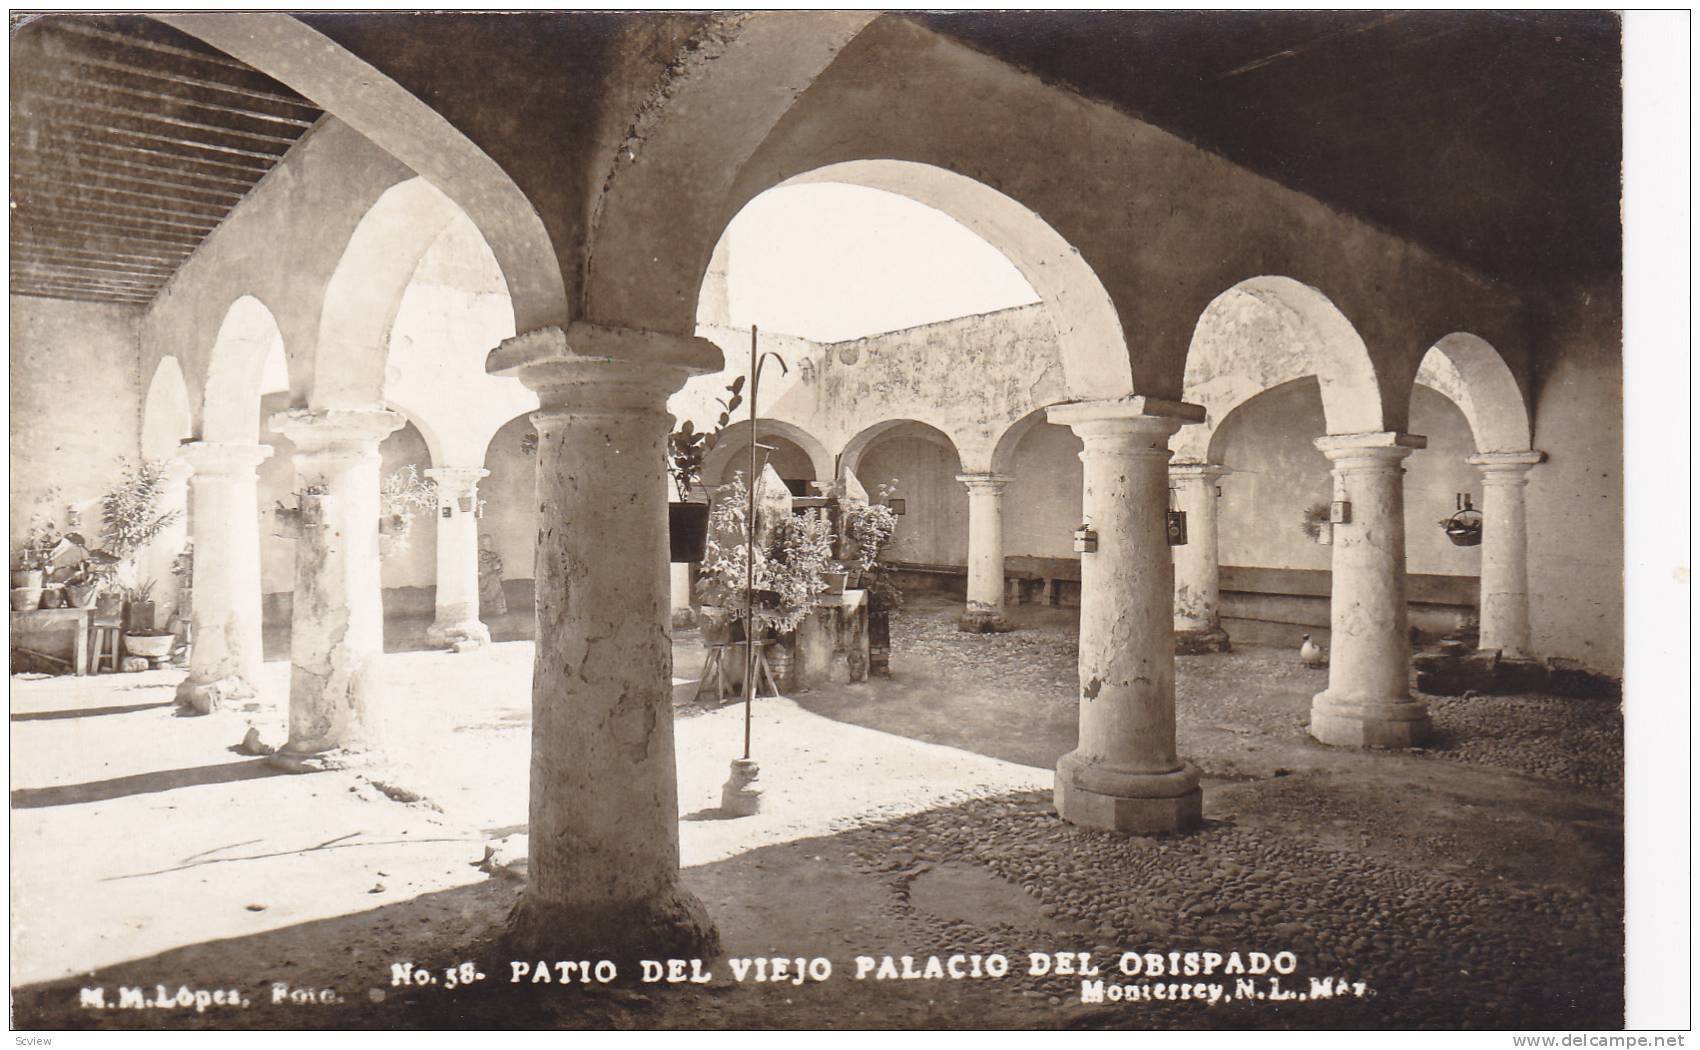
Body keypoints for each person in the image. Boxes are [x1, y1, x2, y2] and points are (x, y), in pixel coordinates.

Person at [477, 534, 507, 618]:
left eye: (489, 542)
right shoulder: (478, 555)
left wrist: (498, 570)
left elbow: (498, 565)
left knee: (496, 589)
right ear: (481, 543)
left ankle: (498, 610)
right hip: (484, 578)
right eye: (485, 542)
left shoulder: (494, 554)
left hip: (494, 578)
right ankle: (485, 611)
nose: (487, 544)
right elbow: (481, 566)